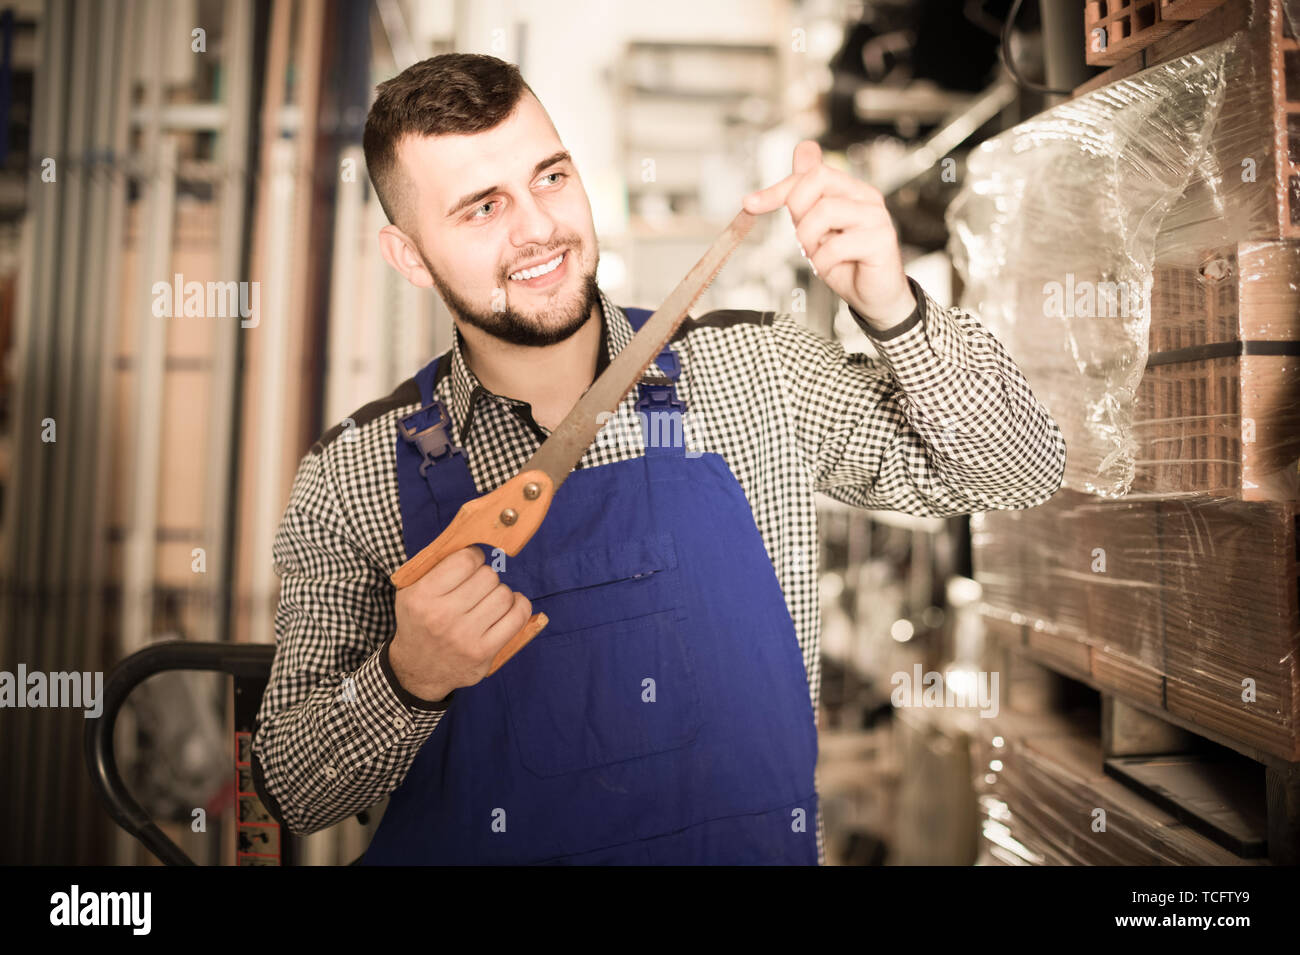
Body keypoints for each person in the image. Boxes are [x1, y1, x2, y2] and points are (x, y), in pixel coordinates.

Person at [251, 52, 1066, 865]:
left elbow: (1021, 468)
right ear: (410, 256)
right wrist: (406, 676)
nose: (537, 228)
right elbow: (295, 789)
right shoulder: (351, 475)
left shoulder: (754, 373)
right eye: (482, 207)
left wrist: (892, 307)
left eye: (550, 177)